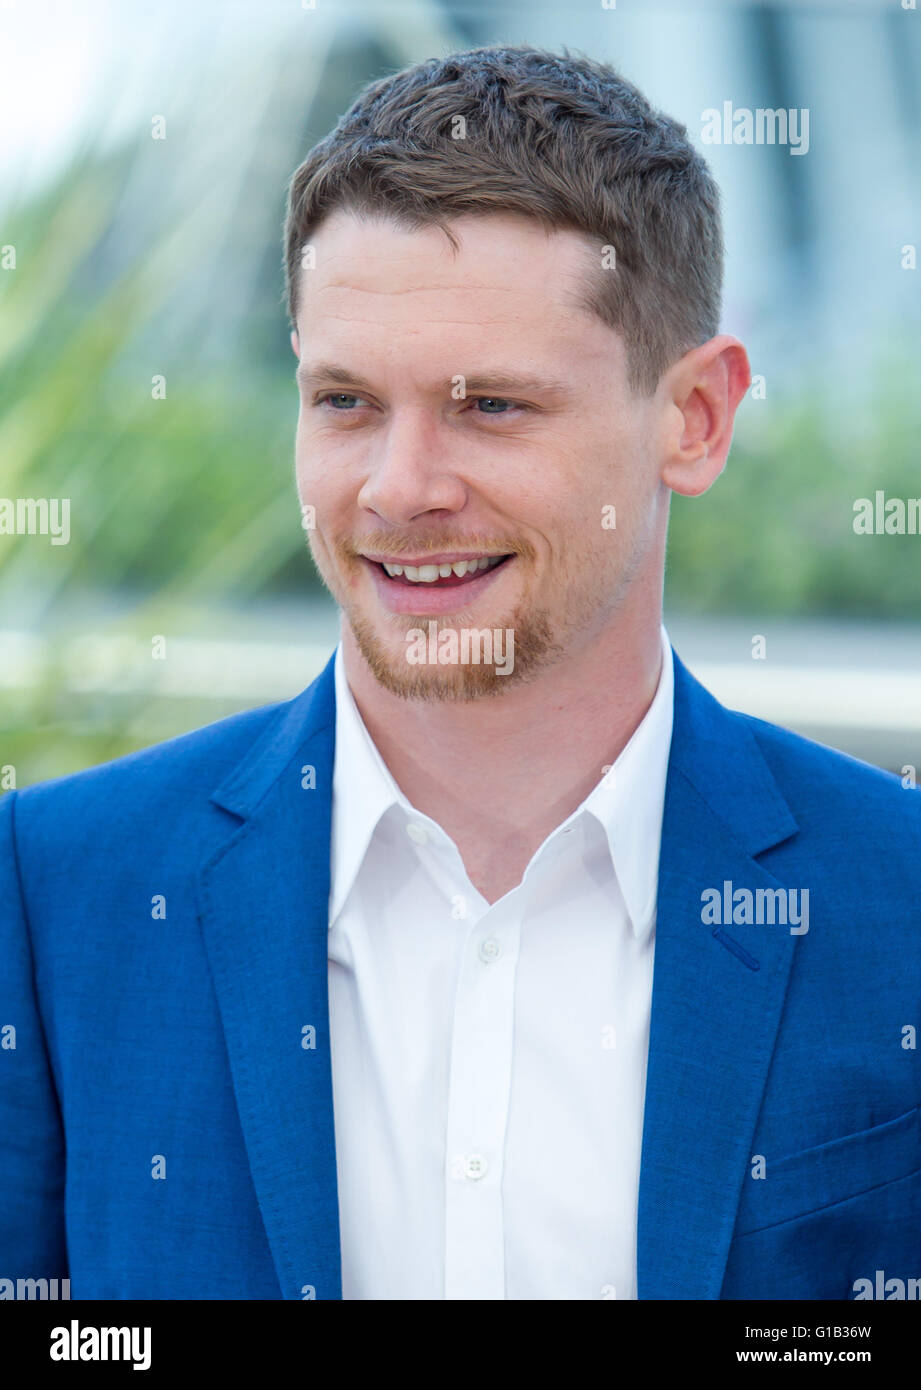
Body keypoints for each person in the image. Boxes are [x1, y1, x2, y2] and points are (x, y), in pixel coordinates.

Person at [1, 45, 918, 1303]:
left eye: (489, 405)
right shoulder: (55, 895)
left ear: (695, 419)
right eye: (344, 401)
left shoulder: (898, 897)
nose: (398, 487)